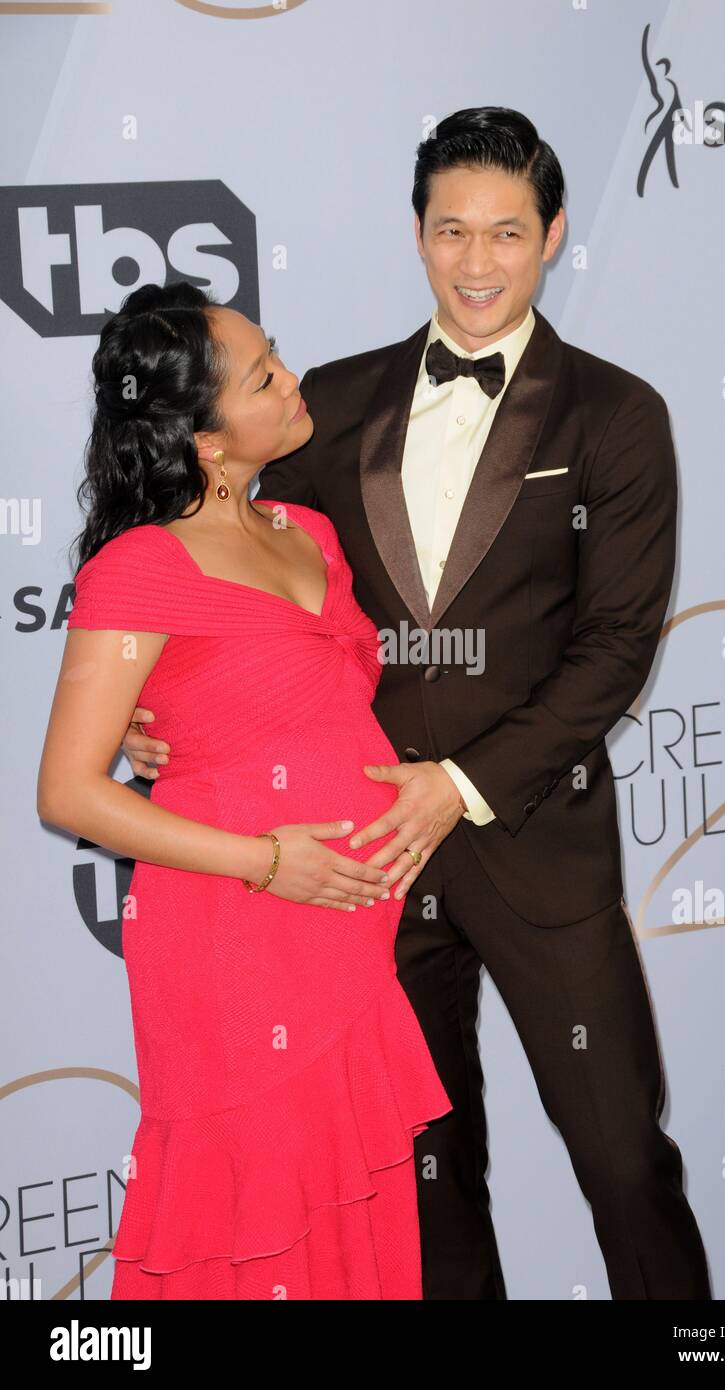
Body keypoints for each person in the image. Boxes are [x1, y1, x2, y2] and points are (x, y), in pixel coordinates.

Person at [122, 107, 712, 1300]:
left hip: (535, 842)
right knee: (424, 1176)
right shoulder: (325, 406)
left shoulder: (616, 415)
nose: (478, 262)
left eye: (506, 232)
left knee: (620, 1160)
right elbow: (211, 548)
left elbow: (611, 651)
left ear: (551, 237)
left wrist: (460, 785)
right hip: (365, 863)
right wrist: (157, 700)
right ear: (417, 235)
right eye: (452, 231)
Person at [37, 280, 452, 1301]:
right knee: (245, 1226)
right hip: (233, 937)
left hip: (344, 939)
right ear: (208, 444)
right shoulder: (139, 569)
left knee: (347, 1211)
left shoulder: (308, 530)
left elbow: (304, 708)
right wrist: (269, 862)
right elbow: (68, 793)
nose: (292, 380)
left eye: (278, 355)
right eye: (264, 377)